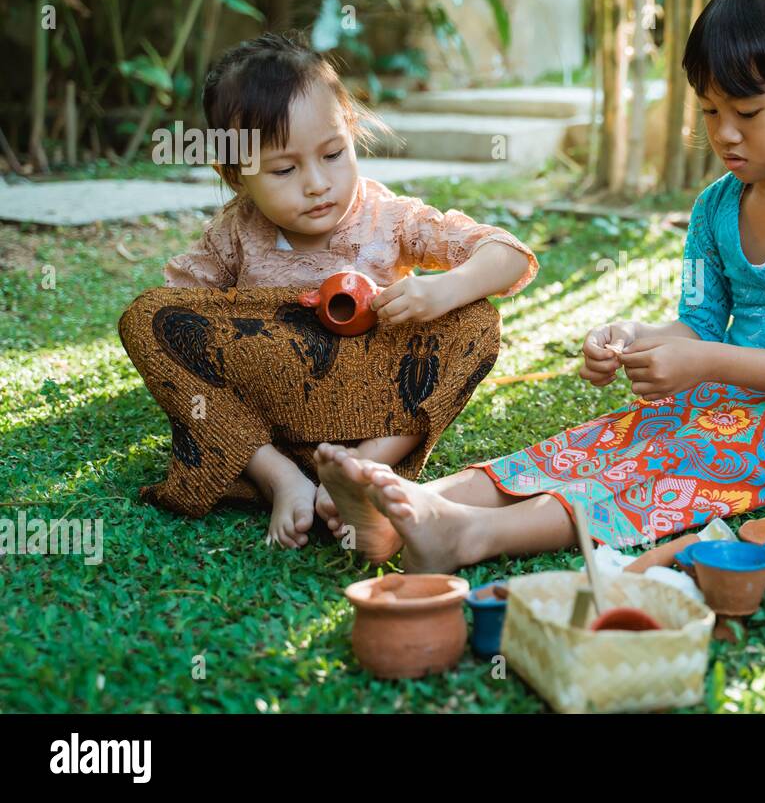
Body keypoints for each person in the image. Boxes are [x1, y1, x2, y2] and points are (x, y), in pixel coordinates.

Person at [316, 0, 765, 573]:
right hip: (728, 395)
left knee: (666, 469)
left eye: (747, 114)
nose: (724, 134)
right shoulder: (715, 208)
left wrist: (705, 362)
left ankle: (469, 536)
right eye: (709, 111)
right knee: (599, 442)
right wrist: (637, 338)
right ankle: (405, 508)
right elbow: (699, 323)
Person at [117, 32, 537, 549]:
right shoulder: (235, 234)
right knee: (145, 319)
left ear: (352, 134)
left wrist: (444, 290)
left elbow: (509, 254)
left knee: (476, 322)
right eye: (284, 169)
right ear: (236, 175)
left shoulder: (389, 219)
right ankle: (279, 477)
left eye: (333, 153)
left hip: (375, 408)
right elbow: (176, 318)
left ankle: (360, 470)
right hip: (269, 420)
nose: (316, 183)